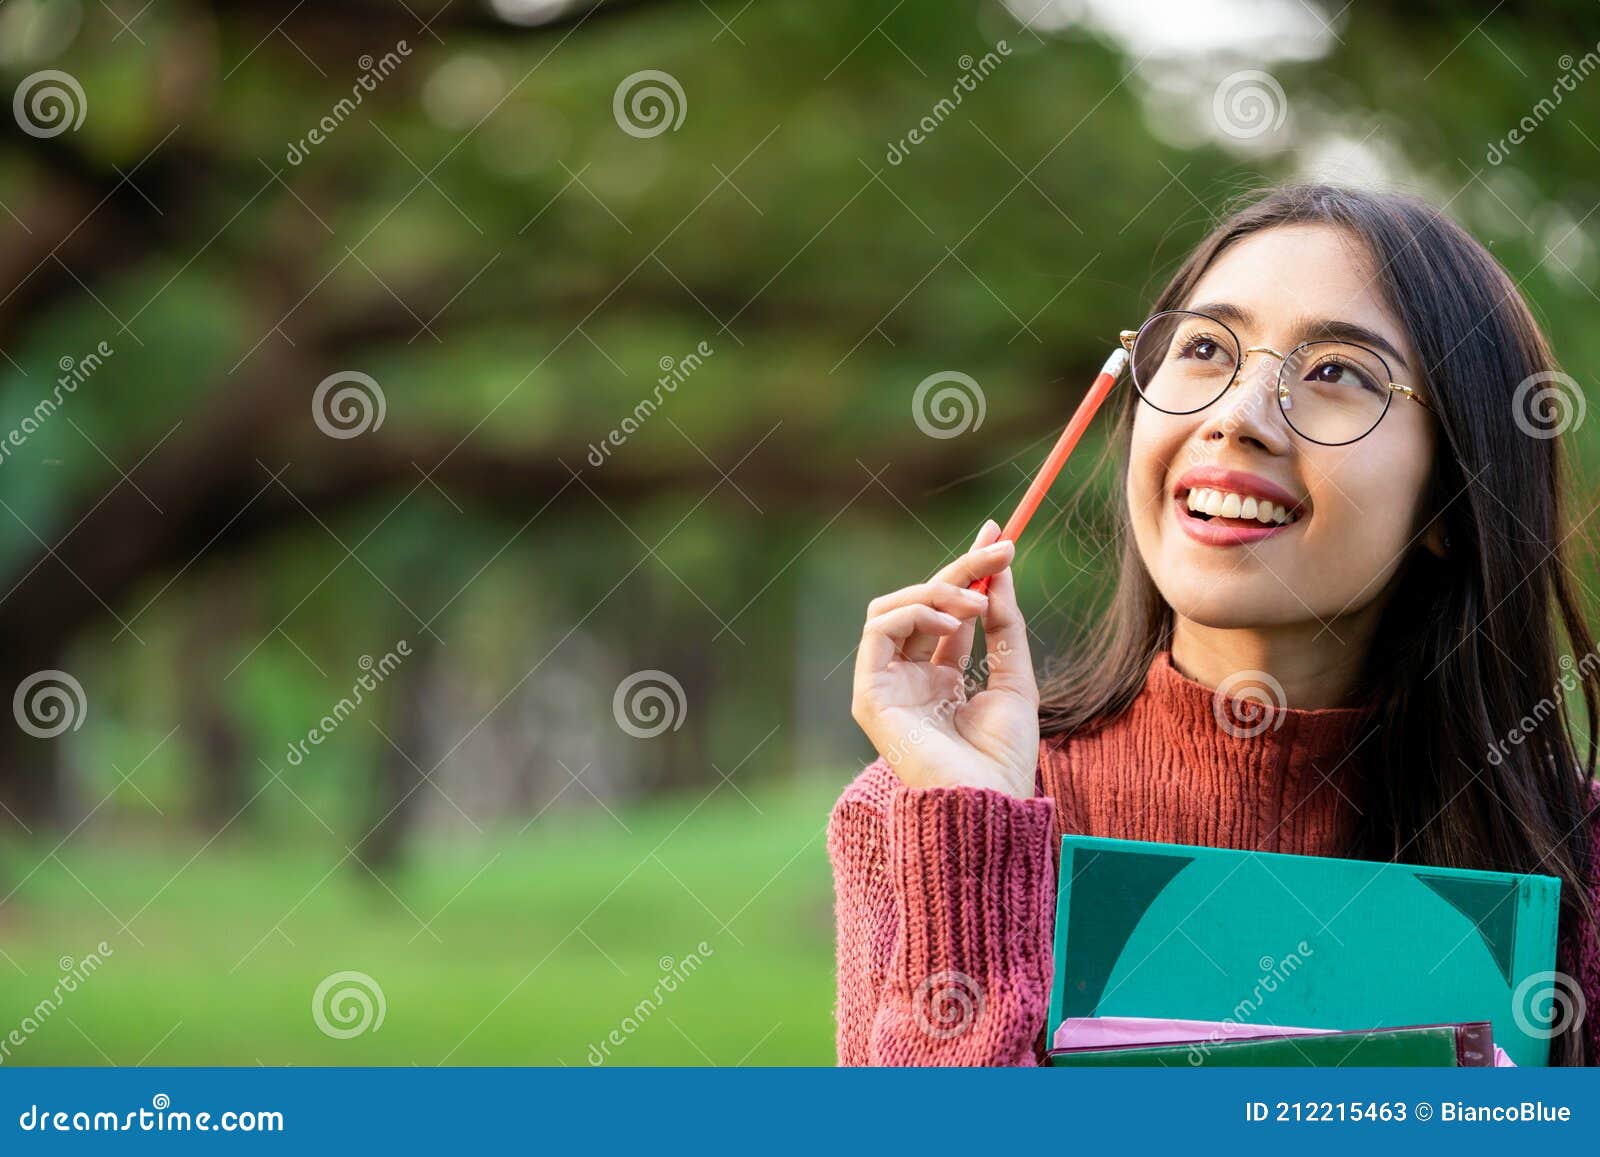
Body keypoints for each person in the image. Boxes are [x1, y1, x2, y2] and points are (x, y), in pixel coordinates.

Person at [833, 183, 1600, 1066]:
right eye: (1203, 347)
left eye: (1335, 372)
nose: (1236, 418)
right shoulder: (930, 811)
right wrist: (973, 840)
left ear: (1451, 497)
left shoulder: (1571, 858)